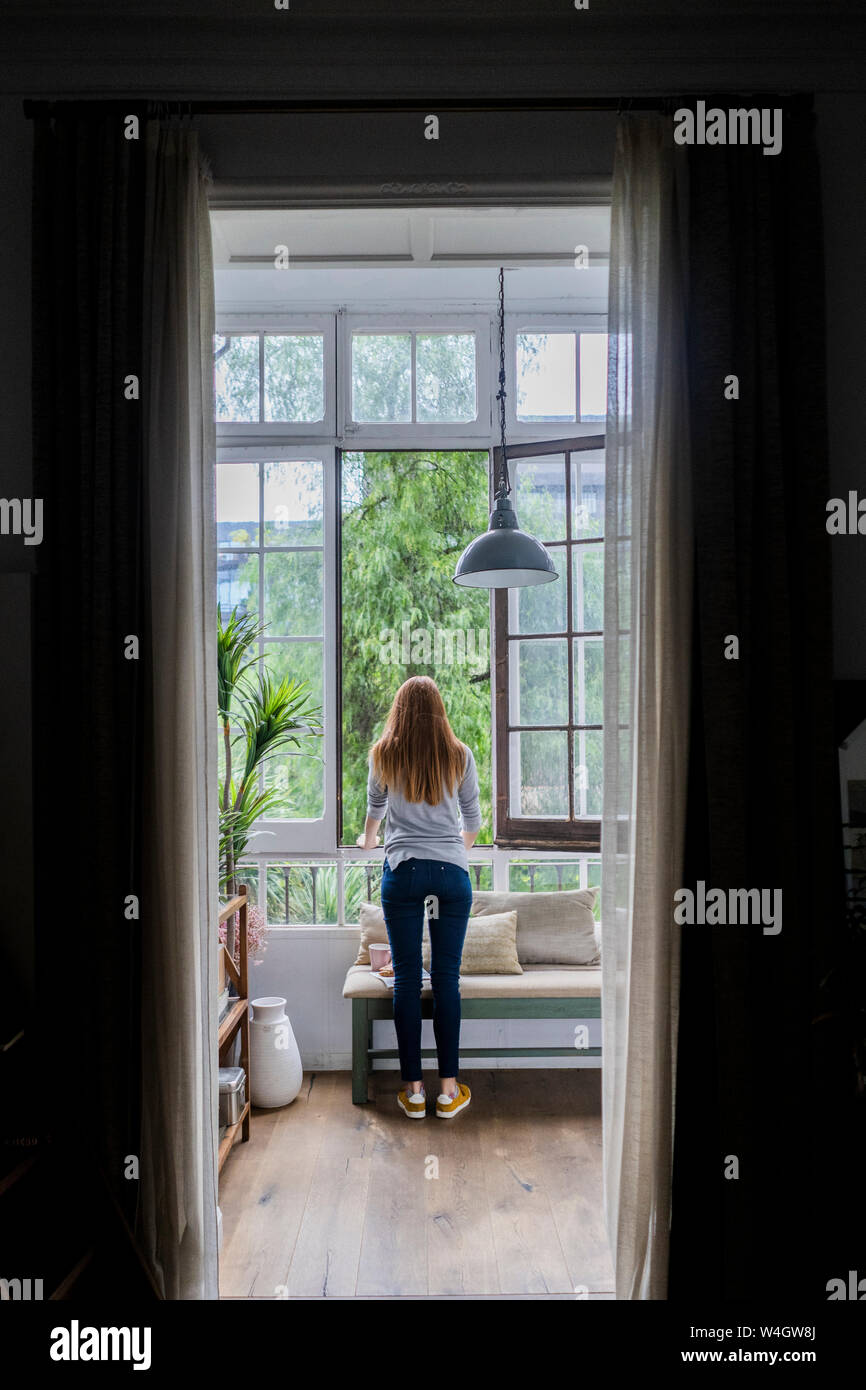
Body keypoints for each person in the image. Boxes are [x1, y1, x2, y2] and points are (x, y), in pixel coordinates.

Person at [356, 675, 482, 1119]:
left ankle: (412, 1091)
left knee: (408, 979)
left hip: (403, 872)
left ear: (399, 710)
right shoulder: (459, 754)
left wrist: (367, 841)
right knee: (447, 979)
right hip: (451, 872)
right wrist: (451, 856)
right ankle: (448, 1093)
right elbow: (473, 821)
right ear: (439, 710)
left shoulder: (383, 754)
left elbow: (374, 812)